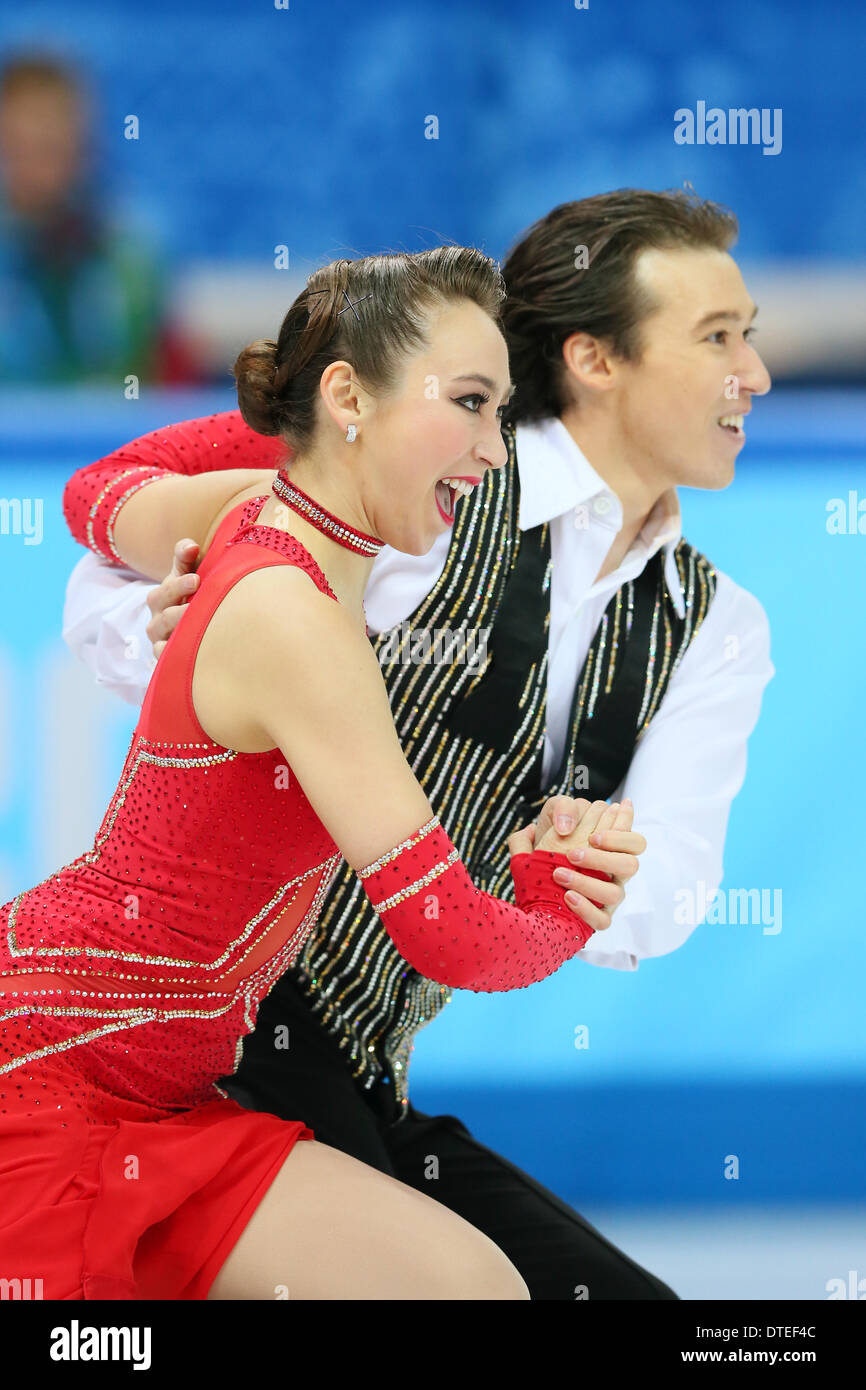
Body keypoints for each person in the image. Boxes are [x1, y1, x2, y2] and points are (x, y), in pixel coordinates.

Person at [62, 189, 775, 1300]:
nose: (755, 376)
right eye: (716, 337)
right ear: (591, 358)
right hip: (235, 1030)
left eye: (751, 337)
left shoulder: (713, 623)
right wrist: (168, 621)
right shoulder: (423, 487)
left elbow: (670, 883)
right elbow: (118, 532)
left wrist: (591, 866)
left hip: (366, 1060)